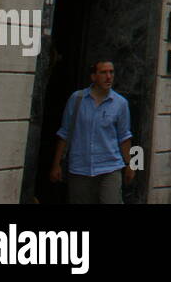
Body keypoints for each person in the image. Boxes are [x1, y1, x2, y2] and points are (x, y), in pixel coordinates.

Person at [50, 60, 134, 204]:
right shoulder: (77, 99)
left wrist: (131, 166)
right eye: (103, 72)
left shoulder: (120, 103)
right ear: (93, 76)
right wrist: (56, 164)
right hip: (80, 168)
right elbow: (65, 133)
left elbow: (124, 137)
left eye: (111, 72)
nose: (108, 77)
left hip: (110, 167)